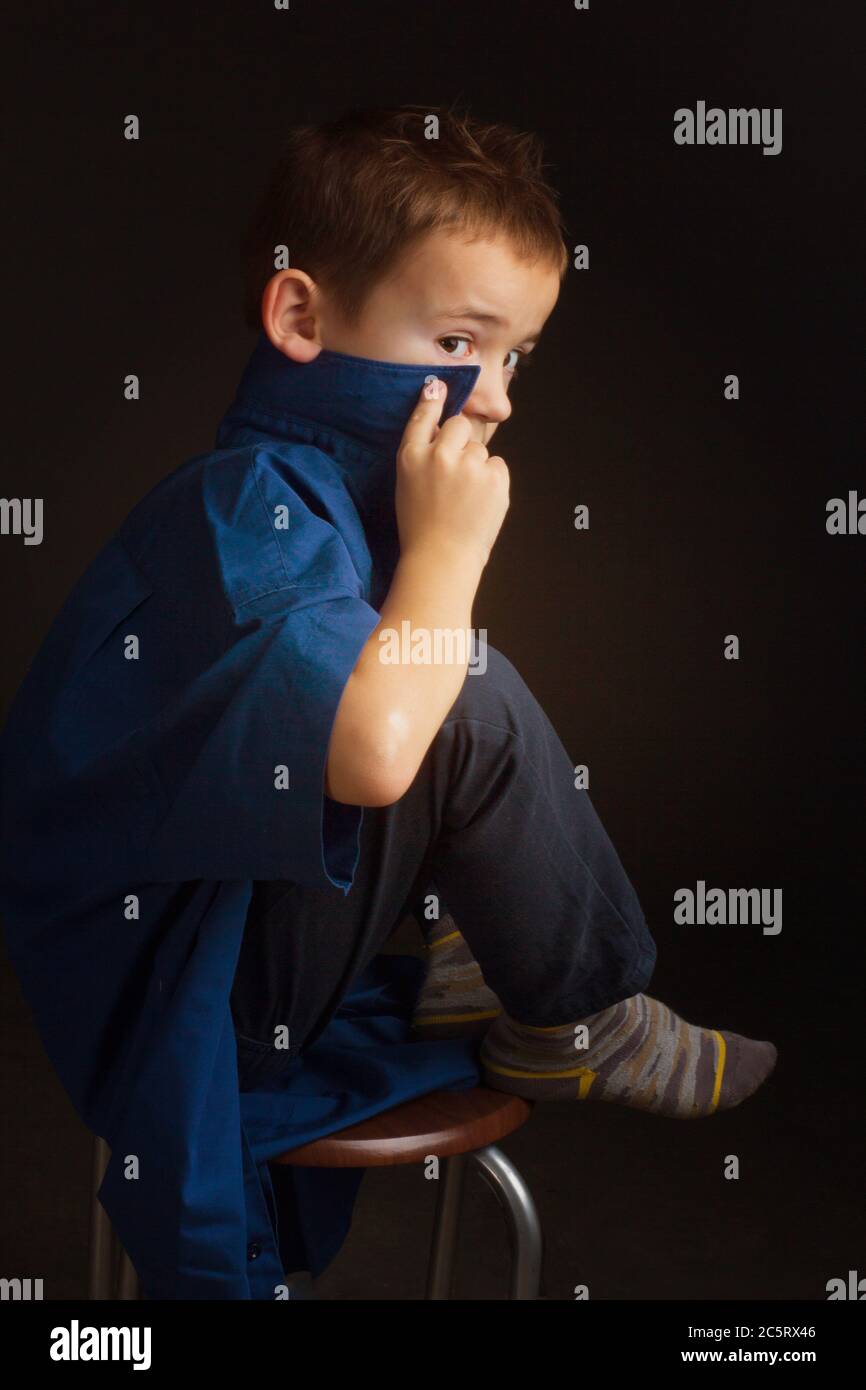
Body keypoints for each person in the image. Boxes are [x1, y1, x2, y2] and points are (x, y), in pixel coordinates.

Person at [0, 104, 777, 1301]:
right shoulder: (248, 508)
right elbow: (368, 756)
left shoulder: (333, 498)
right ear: (301, 316)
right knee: (450, 679)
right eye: (459, 340)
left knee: (437, 672)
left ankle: (480, 949)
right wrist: (446, 564)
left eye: (514, 357)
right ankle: (576, 1009)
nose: (494, 397)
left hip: (273, 920)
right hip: (178, 972)